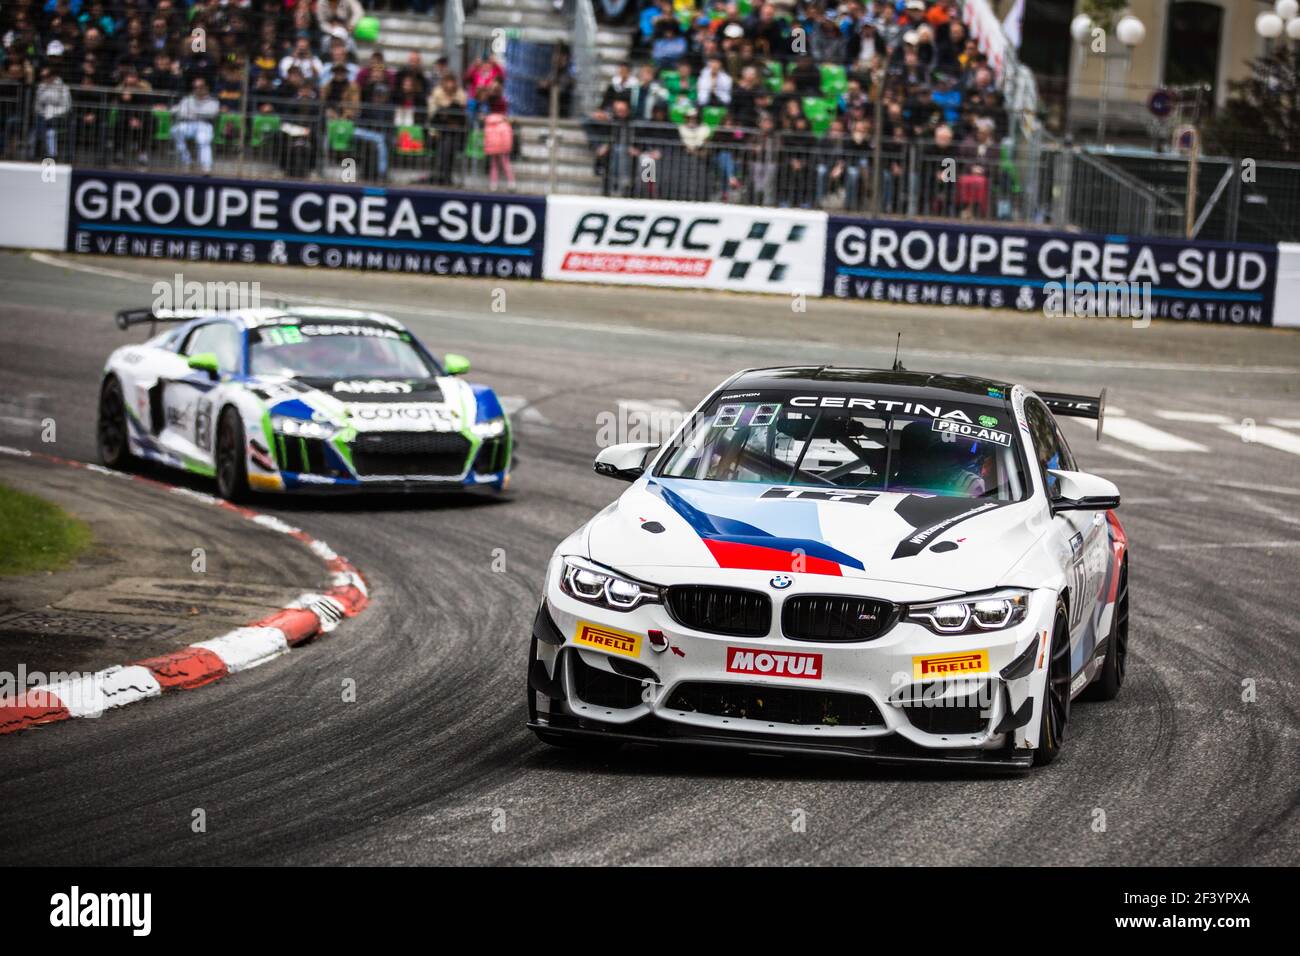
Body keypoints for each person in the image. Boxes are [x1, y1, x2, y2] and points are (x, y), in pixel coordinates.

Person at [171, 76, 219, 173]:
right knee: (175, 130)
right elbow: (176, 110)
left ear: (206, 88)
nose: (198, 90)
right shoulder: (188, 99)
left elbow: (212, 113)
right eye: (195, 87)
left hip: (204, 125)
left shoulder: (213, 101)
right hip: (189, 124)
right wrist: (193, 113)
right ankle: (187, 161)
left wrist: (193, 113)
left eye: (201, 87)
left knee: (203, 140)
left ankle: (206, 167)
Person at [32, 66, 71, 159]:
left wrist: (52, 113)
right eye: (43, 76)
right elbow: (37, 106)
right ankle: (37, 153)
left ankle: (51, 154)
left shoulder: (63, 88)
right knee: (40, 125)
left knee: (50, 129)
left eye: (47, 76)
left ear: (53, 76)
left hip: (60, 117)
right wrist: (44, 113)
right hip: (43, 116)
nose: (45, 78)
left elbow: (66, 107)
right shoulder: (41, 87)